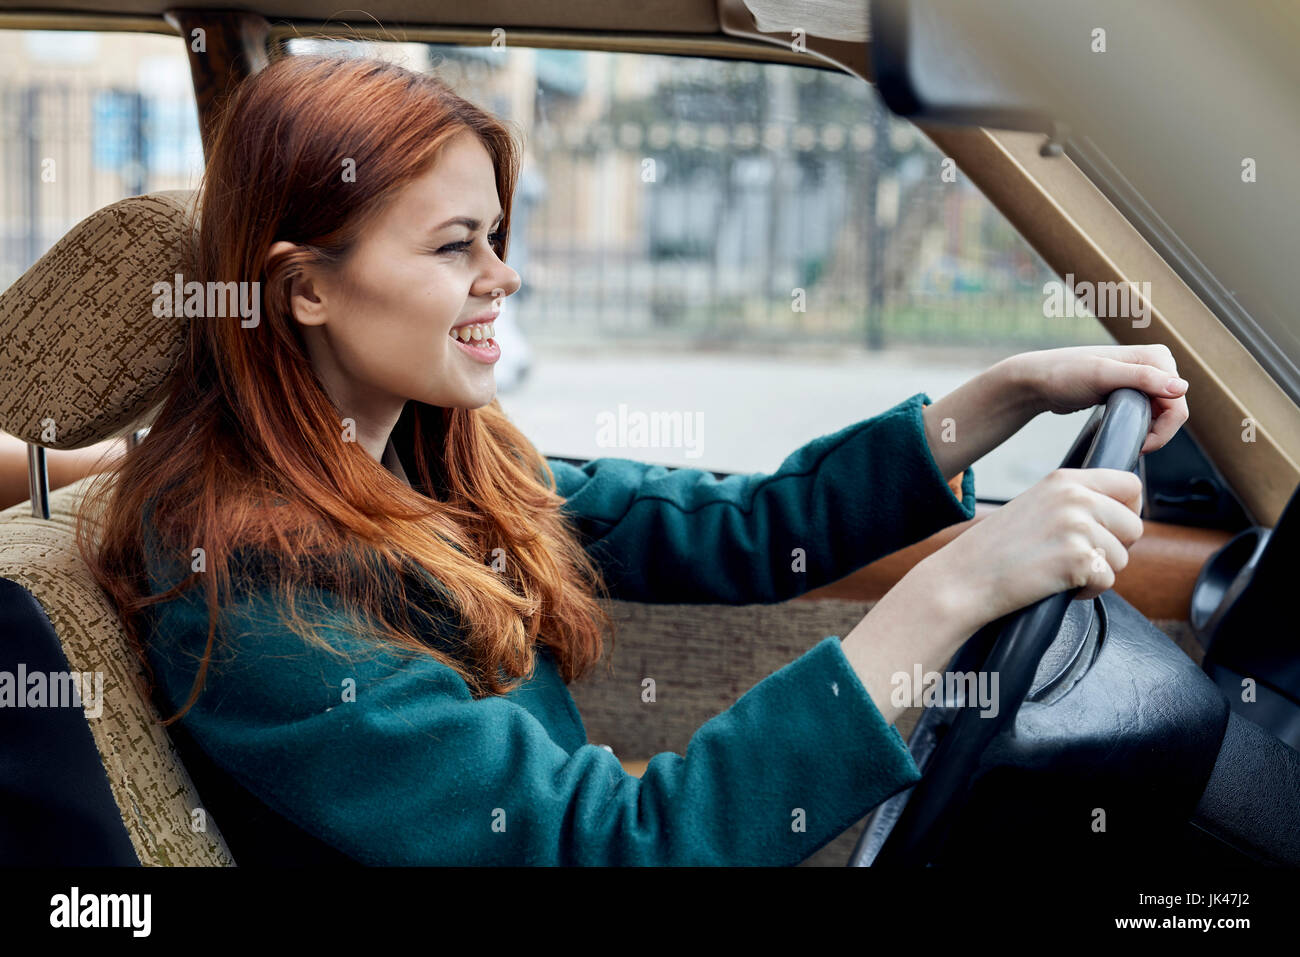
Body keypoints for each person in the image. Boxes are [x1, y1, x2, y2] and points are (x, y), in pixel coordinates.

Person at [74, 53, 1188, 866]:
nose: (500, 277)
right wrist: (953, 590)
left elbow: (746, 528)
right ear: (304, 287)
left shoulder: (437, 457)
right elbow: (607, 852)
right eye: (455, 243)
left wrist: (1006, 395)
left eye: (498, 237)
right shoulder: (246, 587)